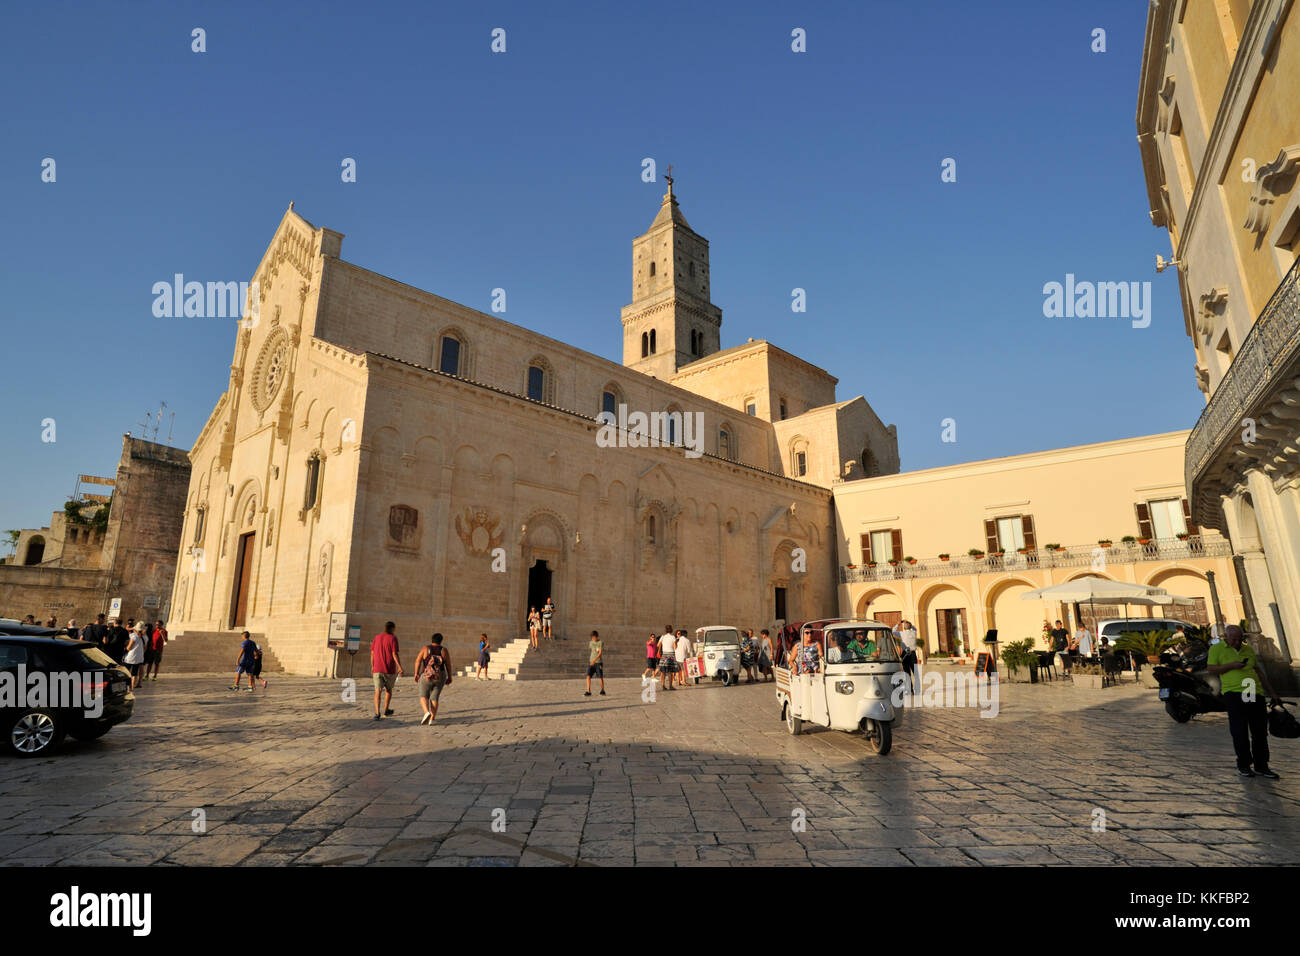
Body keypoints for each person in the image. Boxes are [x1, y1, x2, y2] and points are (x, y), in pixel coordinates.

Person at [1207, 624, 1282, 779]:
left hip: (1254, 693)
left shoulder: (1247, 649)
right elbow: (1211, 669)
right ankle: (1244, 764)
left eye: (1239, 638)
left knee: (1260, 731)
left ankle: (1262, 765)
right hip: (1234, 693)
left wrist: (1272, 692)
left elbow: (1258, 671)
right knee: (1239, 731)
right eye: (1233, 639)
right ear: (1226, 637)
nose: (1237, 642)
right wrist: (1231, 666)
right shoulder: (1217, 649)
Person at [413, 633, 452, 725]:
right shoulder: (444, 650)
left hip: (427, 675)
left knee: (423, 695)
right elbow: (448, 664)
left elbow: (418, 661)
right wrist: (449, 676)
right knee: (434, 697)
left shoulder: (425, 648)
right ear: (441, 641)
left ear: (432, 640)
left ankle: (426, 712)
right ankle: (432, 719)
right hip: (440, 676)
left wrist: (416, 673)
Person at [370, 621, 404, 719]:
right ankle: (386, 710)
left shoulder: (377, 637)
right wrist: (400, 666)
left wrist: (372, 666)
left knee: (378, 691)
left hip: (377, 669)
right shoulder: (393, 638)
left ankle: (377, 713)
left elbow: (372, 653)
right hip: (389, 669)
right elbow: (394, 654)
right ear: (392, 628)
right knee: (388, 690)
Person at [895, 619, 919, 692]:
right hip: (912, 654)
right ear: (910, 627)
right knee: (915, 673)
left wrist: (898, 624)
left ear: (904, 627)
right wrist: (908, 622)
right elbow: (915, 628)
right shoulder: (914, 632)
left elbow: (892, 631)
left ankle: (910, 689)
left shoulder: (901, 633)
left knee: (907, 673)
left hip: (905, 654)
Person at [123, 623, 147, 688]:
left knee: (127, 672)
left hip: (131, 657)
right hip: (139, 657)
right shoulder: (145, 637)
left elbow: (129, 647)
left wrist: (126, 648)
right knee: (134, 673)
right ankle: (132, 686)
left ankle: (127, 685)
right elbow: (145, 648)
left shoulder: (133, 636)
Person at [585, 630, 606, 696]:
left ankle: (602, 690)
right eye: (592, 638)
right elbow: (592, 650)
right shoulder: (591, 643)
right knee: (588, 676)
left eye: (594, 637)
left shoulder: (600, 642)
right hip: (591, 662)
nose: (593, 639)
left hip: (598, 662)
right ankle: (588, 691)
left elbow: (600, 653)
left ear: (597, 637)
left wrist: (594, 660)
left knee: (600, 677)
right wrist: (592, 660)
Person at [658, 626, 678, 691]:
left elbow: (658, 645)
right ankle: (670, 686)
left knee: (663, 671)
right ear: (671, 630)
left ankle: (663, 685)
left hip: (664, 655)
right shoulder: (673, 637)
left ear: (665, 630)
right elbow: (675, 647)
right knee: (670, 671)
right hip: (671, 655)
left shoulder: (663, 636)